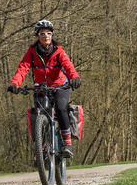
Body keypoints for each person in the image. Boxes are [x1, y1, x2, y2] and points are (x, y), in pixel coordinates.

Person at [8, 20, 82, 158]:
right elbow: (22, 69)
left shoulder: (58, 51)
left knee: (61, 109)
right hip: (41, 88)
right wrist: (15, 84)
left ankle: (67, 144)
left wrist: (74, 78)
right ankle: (42, 151)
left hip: (60, 86)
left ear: (52, 35)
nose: (46, 36)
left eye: (49, 33)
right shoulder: (31, 52)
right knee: (38, 114)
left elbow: (68, 66)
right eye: (42, 33)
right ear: (37, 37)